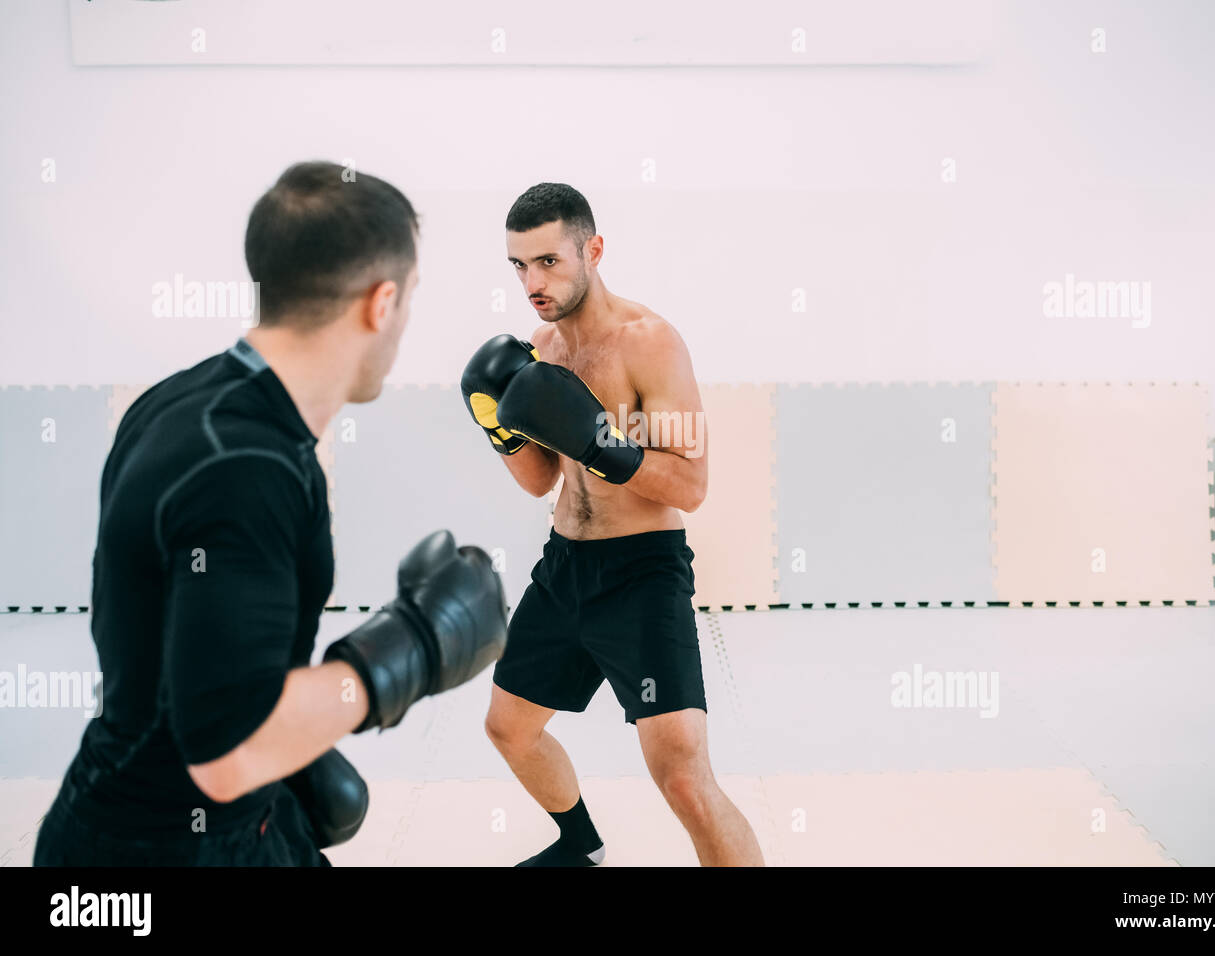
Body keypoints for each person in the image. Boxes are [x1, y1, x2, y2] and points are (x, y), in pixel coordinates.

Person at [34, 161, 507, 867]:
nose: (404, 320)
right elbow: (227, 753)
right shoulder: (248, 472)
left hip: (157, 819)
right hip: (163, 850)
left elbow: (165, 640)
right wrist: (414, 643)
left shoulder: (180, 401)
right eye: (410, 298)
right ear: (381, 304)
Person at [464, 183, 764, 866]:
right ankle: (580, 844)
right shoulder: (541, 347)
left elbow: (692, 485)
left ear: (592, 250)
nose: (532, 282)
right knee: (509, 728)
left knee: (683, 776)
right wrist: (500, 431)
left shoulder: (651, 344)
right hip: (564, 568)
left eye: (548, 262)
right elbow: (542, 479)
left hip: (641, 574)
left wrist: (603, 443)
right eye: (518, 265)